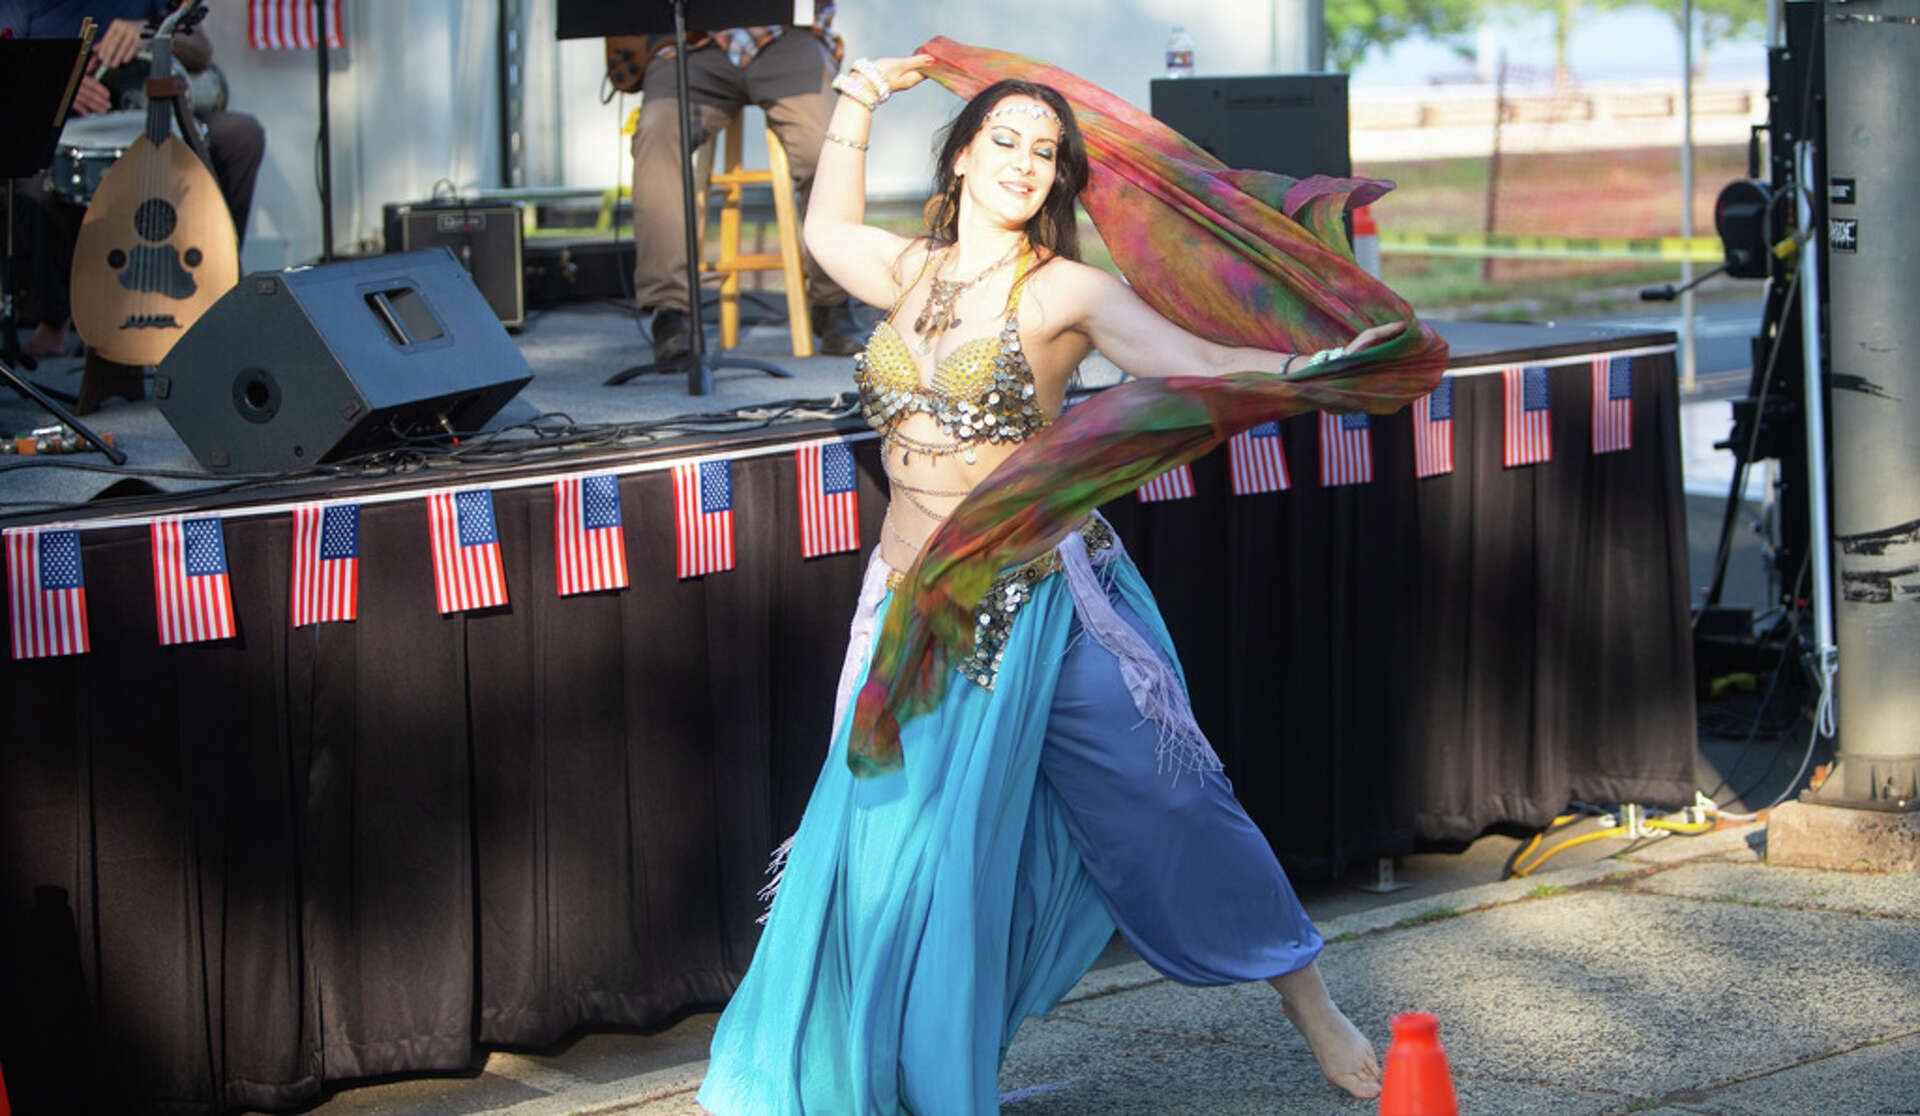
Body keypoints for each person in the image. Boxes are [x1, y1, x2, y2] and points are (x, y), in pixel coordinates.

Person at [696, 54, 1407, 1114]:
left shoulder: (1065, 290)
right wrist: (858, 97)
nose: (1025, 163)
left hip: (1040, 598)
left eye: (1045, 152)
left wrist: (1304, 371)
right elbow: (826, 231)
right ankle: (888, 1069)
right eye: (1006, 142)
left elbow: (1192, 362)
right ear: (961, 157)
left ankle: (1314, 1006)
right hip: (916, 608)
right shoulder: (911, 272)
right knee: (894, 845)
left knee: (1173, 801)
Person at [5, 0, 265, 364]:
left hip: (151, 118)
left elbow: (200, 52)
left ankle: (215, 291)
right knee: (31, 182)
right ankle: (54, 320)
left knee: (241, 136)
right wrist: (59, 86)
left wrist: (150, 34)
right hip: (67, 129)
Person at [623, 2, 863, 364]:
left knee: (827, 147)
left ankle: (833, 301)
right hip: (690, 45)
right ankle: (670, 311)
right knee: (656, 132)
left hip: (784, 36)